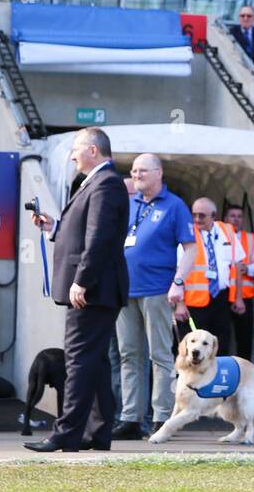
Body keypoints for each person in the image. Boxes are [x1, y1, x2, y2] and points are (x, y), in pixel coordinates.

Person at [25, 129, 129, 453]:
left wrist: (81, 280)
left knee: (79, 360)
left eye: (76, 149)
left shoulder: (106, 183)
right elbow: (86, 232)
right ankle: (97, 432)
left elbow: (98, 238)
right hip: (97, 289)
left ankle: (66, 433)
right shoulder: (98, 182)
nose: (72, 155)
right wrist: (54, 227)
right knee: (95, 362)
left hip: (92, 290)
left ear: (93, 150)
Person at [113, 153, 196, 440]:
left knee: (159, 355)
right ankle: (130, 417)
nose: (137, 176)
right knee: (128, 355)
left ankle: (162, 417)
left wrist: (178, 282)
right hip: (126, 290)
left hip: (157, 290)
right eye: (134, 171)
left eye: (143, 171)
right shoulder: (129, 202)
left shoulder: (174, 206)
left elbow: (191, 249)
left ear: (159, 173)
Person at [171, 198, 241, 355]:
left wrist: (238, 298)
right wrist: (180, 304)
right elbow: (177, 271)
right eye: (194, 215)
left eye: (201, 215)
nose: (197, 219)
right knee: (192, 349)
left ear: (214, 216)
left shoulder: (227, 232)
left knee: (221, 343)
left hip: (221, 298)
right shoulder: (186, 234)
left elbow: (236, 265)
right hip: (193, 301)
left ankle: (218, 378)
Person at [223, 204, 254, 361]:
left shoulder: (251, 239)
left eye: (239, 216)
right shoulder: (219, 236)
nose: (236, 219)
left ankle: (244, 376)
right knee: (221, 338)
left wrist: (247, 269)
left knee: (245, 339)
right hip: (223, 296)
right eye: (232, 215)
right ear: (226, 218)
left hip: (245, 298)